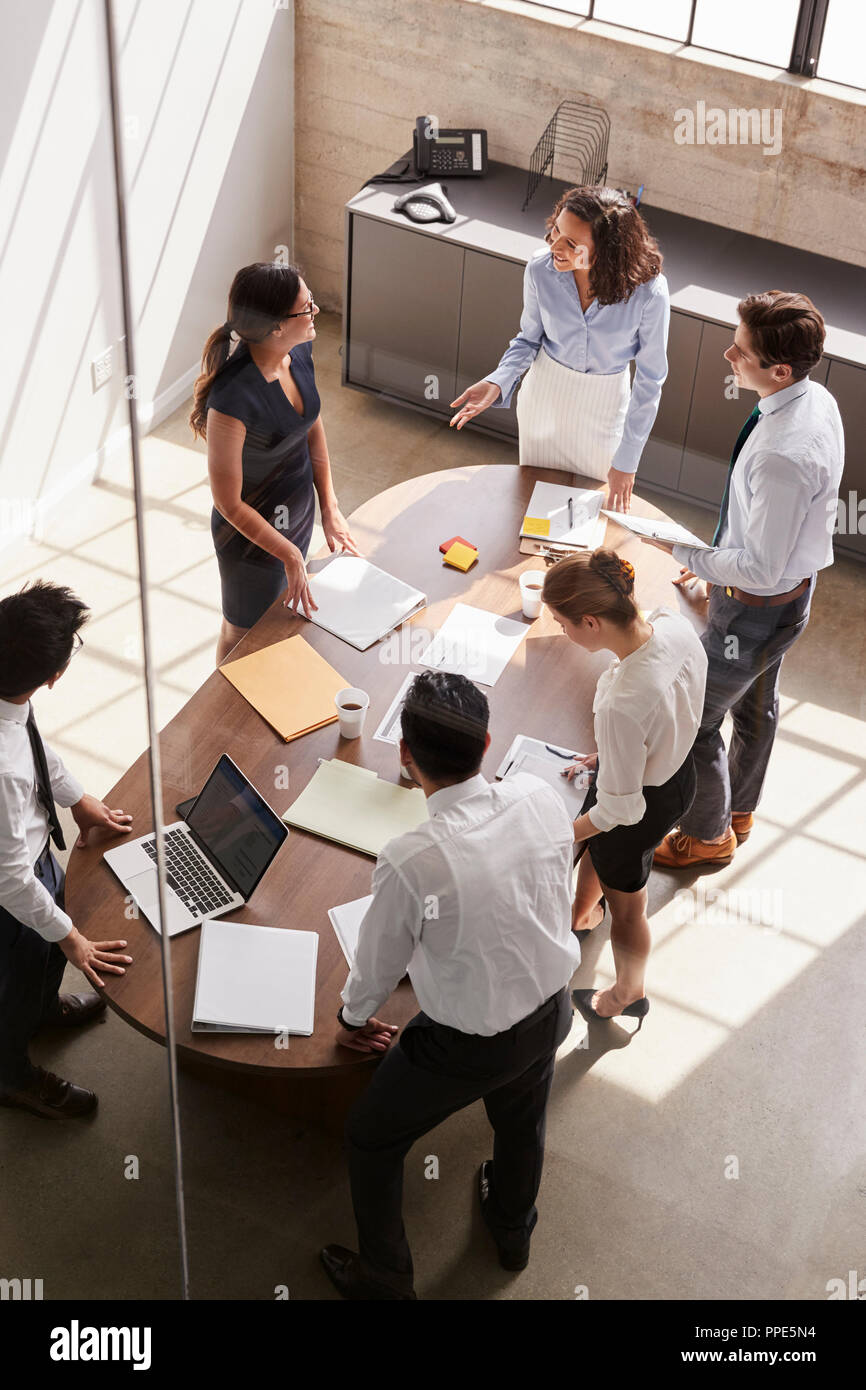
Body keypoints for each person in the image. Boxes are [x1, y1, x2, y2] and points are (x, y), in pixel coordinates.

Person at [320, 671, 580, 1299]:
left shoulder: (412, 857)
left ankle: (386, 1281)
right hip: (553, 1010)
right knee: (521, 1119)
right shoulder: (539, 795)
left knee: (371, 1135)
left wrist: (352, 1020)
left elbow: (378, 967)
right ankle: (513, 1229)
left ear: (405, 755)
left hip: (467, 1047)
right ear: (487, 742)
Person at [643, 291, 844, 868]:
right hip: (785, 599)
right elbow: (769, 545)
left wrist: (688, 552)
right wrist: (718, 569)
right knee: (756, 704)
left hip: (756, 607)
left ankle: (709, 836)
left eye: (743, 350)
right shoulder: (813, 398)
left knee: (692, 724)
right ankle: (739, 807)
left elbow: (760, 567)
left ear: (780, 369)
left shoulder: (783, 455)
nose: (728, 354)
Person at [540, 550, 707, 1026]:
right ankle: (581, 913)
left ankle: (626, 993)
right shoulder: (672, 626)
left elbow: (618, 810)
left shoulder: (621, 706)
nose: (561, 630)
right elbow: (671, 711)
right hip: (677, 770)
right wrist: (614, 757)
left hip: (640, 808)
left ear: (590, 622)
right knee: (602, 853)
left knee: (629, 907)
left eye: (562, 622)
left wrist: (557, 835)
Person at [0, 582, 134, 1119]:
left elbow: (35, 744)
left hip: (29, 866)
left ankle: (42, 1009)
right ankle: (11, 1073)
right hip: (13, 896)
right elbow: (10, 881)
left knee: (41, 964)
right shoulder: (5, 774)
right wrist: (72, 936)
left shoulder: (11, 702)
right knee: (17, 978)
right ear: (53, 678)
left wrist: (78, 799)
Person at [449, 185, 670, 511]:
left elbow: (650, 380)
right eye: (555, 231)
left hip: (603, 412)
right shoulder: (541, 269)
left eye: (572, 243)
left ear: (607, 251)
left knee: (587, 516)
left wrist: (628, 458)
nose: (555, 245)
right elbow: (528, 339)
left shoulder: (648, 292)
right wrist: (499, 381)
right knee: (532, 507)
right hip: (543, 401)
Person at [189, 261, 360, 664]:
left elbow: (311, 426)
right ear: (277, 326)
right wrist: (288, 554)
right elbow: (228, 503)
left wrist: (330, 508)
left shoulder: (298, 351)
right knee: (242, 631)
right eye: (307, 308)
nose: (316, 311)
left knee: (279, 623)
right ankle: (220, 712)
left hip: (296, 519)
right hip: (249, 542)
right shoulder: (232, 400)